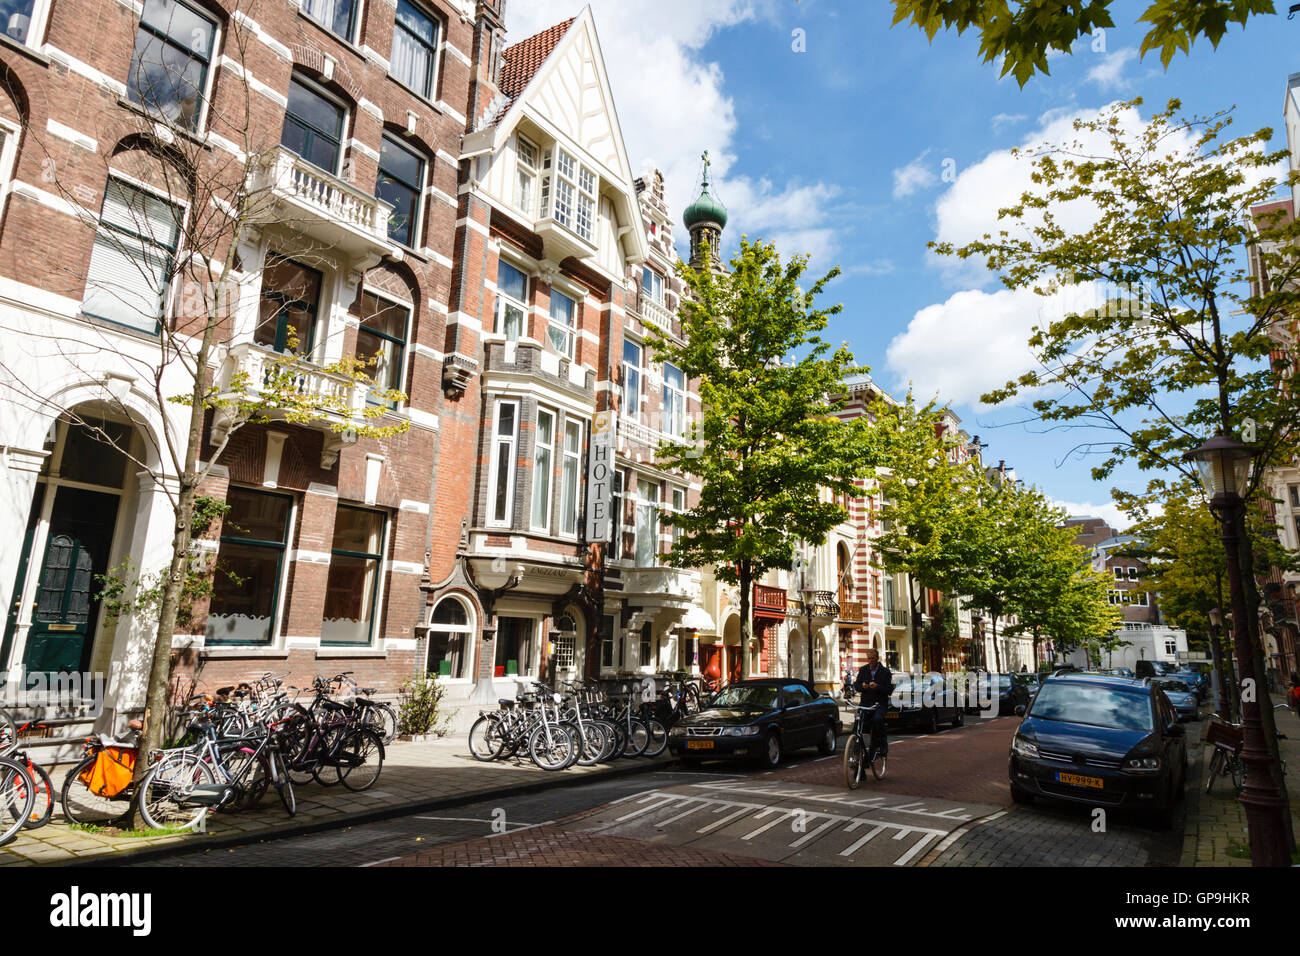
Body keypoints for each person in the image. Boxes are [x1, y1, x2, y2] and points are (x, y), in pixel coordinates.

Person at [854, 648, 894, 756]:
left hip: (879, 703)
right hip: (865, 704)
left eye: (872, 658)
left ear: (877, 658)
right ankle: (856, 752)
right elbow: (856, 686)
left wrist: (878, 687)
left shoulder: (885, 672)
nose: (870, 661)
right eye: (869, 658)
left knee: (877, 720)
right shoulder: (863, 670)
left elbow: (889, 690)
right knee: (857, 724)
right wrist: (862, 686)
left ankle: (881, 744)